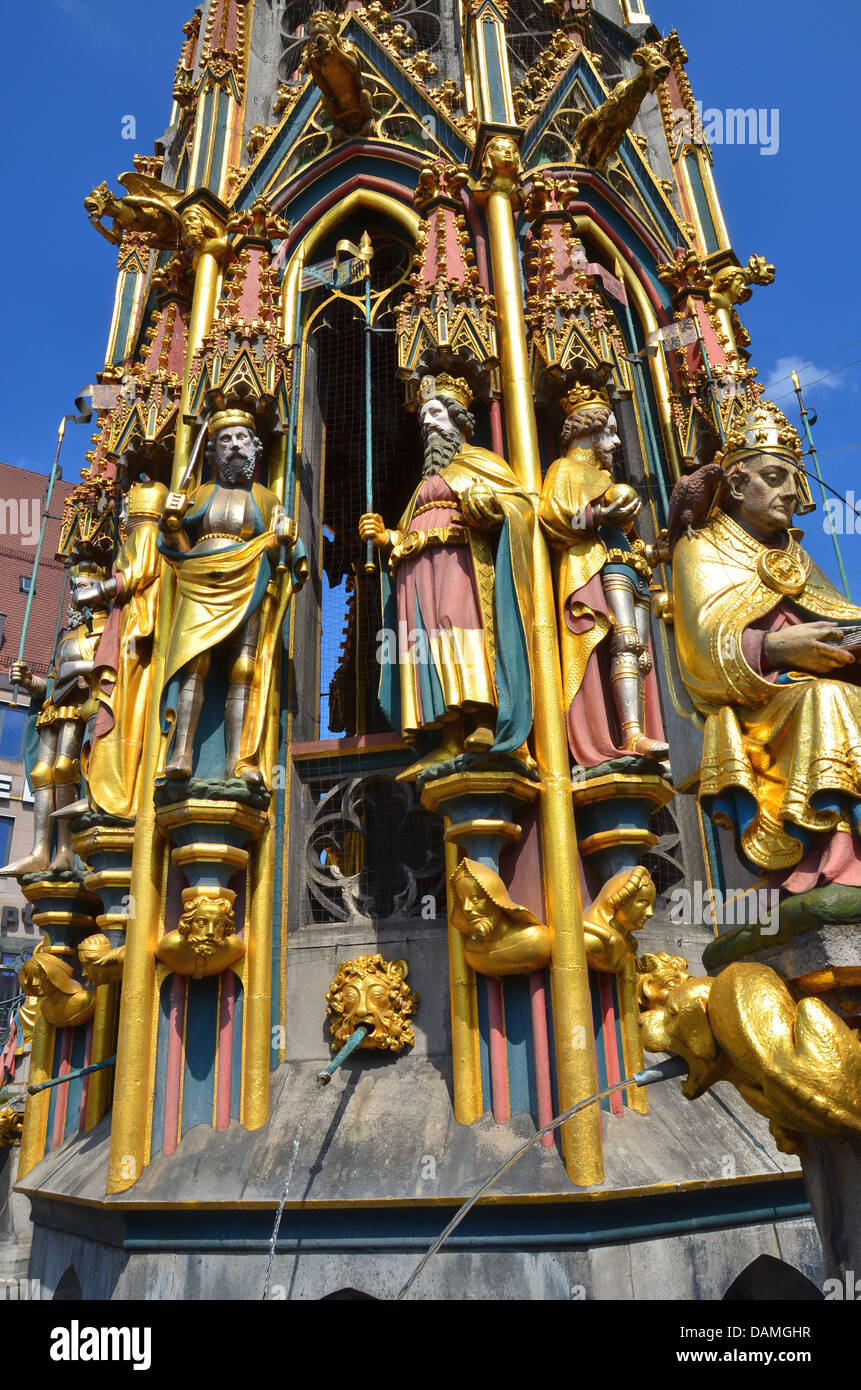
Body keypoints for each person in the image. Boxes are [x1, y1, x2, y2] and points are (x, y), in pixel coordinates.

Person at [670, 399, 861, 893]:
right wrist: (777, 648)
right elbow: (700, 651)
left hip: (805, 694)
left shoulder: (794, 554)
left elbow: (839, 617)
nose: (793, 493)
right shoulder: (701, 546)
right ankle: (831, 858)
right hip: (761, 706)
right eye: (776, 478)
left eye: (795, 482)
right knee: (830, 698)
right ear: (735, 484)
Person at [359, 375, 535, 778]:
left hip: (459, 563)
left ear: (459, 420)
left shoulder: (482, 464)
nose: (427, 423)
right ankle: (449, 738)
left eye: (435, 413)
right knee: (429, 642)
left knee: (459, 629)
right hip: (419, 572)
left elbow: (519, 507)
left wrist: (488, 507)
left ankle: (485, 721)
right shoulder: (426, 483)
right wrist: (386, 535)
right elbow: (408, 531)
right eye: (423, 416)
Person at [157, 410, 307, 784]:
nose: (235, 446)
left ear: (256, 448)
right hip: (198, 582)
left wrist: (284, 536)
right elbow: (174, 550)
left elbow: (285, 554)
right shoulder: (198, 495)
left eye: (243, 439)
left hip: (249, 579)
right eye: (226, 440)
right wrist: (173, 524)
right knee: (194, 662)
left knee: (245, 666)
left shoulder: (268, 499)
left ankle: (238, 761)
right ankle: (181, 753)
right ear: (212, 452)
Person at [538, 383, 668, 765]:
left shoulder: (608, 481)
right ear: (586, 431)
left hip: (633, 570)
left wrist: (652, 551)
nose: (614, 443)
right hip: (604, 569)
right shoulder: (565, 470)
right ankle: (631, 735)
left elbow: (623, 537)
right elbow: (555, 516)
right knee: (625, 643)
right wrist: (596, 515)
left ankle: (636, 731)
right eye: (608, 433)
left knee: (640, 656)